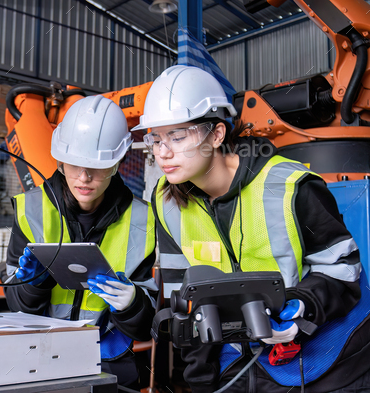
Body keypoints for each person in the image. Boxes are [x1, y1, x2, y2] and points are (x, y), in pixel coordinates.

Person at [133, 65, 370, 392]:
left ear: (216, 134)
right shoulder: (167, 200)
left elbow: (343, 270)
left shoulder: (289, 185)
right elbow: (182, 295)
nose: (163, 152)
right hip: (246, 359)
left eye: (177, 136)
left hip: (332, 356)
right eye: (155, 138)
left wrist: (301, 305)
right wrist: (200, 375)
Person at [5, 95, 158, 388]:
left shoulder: (143, 221)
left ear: (117, 162)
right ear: (61, 158)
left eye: (97, 166)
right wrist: (35, 284)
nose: (84, 177)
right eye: (75, 164)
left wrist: (131, 303)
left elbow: (144, 327)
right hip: (39, 361)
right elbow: (17, 307)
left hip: (110, 366)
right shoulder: (30, 210)